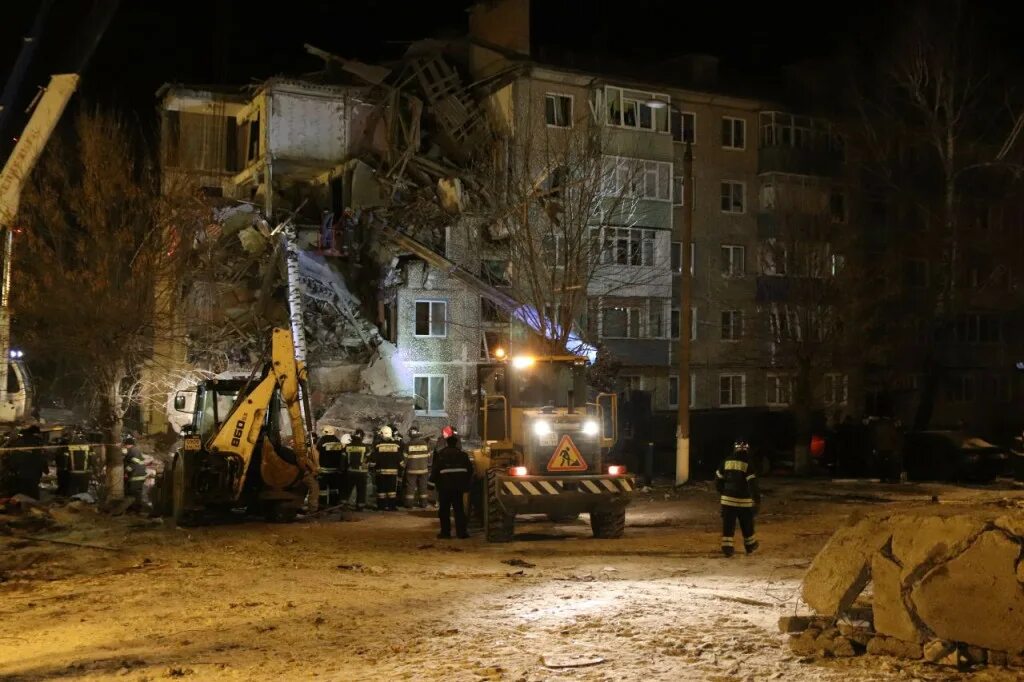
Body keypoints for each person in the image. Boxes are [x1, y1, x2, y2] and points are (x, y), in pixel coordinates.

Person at [715, 438, 760, 557]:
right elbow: (753, 485)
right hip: (744, 501)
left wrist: (723, 492)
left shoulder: (726, 461)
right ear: (747, 450)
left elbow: (718, 479)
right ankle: (750, 545)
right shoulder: (748, 464)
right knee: (747, 525)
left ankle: (727, 548)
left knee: (728, 525)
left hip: (727, 500)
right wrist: (756, 500)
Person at [430, 434, 473, 539]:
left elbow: (435, 470)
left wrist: (431, 484)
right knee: (459, 510)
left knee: (444, 511)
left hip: (444, 488)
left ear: (447, 443)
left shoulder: (441, 455)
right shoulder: (463, 455)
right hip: (458, 488)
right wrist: (466, 483)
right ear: (457, 443)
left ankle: (445, 533)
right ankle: (461, 533)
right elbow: (470, 470)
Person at [4, 425, 47, 499]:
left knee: (23, 491)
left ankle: (23, 505)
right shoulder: (37, 442)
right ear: (35, 433)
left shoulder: (20, 441)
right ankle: (31, 505)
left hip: (21, 471)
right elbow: (41, 457)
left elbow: (14, 456)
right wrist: (45, 468)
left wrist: (12, 468)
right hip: (34, 472)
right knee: (32, 491)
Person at [369, 425, 402, 511]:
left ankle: (381, 506)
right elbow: (400, 459)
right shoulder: (396, 445)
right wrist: (401, 468)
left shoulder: (378, 445)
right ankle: (392, 506)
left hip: (381, 472)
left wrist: (371, 466)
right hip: (393, 472)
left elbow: (374, 459)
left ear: (382, 434)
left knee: (381, 490)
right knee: (392, 491)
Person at [402, 422, 432, 509]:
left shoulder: (408, 445)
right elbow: (430, 457)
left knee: (410, 487)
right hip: (423, 469)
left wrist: (403, 467)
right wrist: (428, 466)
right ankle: (423, 504)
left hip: (411, 470)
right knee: (423, 486)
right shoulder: (425, 444)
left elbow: (405, 459)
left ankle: (409, 504)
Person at [316, 426, 345, 508]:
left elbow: (317, 453)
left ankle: (322, 505)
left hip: (324, 470)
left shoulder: (322, 441)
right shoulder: (338, 442)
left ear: (325, 432)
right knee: (334, 489)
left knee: (323, 490)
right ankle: (333, 504)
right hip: (335, 470)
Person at [342, 429, 370, 510]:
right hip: (361, 472)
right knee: (361, 490)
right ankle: (360, 506)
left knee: (347, 489)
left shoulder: (347, 447)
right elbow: (369, 458)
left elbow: (343, 460)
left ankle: (343, 505)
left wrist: (342, 469)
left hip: (350, 471)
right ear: (362, 437)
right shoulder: (365, 447)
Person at [122, 434, 148, 510]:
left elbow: (134, 463)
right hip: (136, 475)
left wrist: (126, 471)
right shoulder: (133, 450)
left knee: (134, 493)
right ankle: (135, 508)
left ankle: (136, 509)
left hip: (136, 475)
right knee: (135, 493)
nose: (125, 447)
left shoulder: (134, 451)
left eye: (126, 445)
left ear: (129, 445)